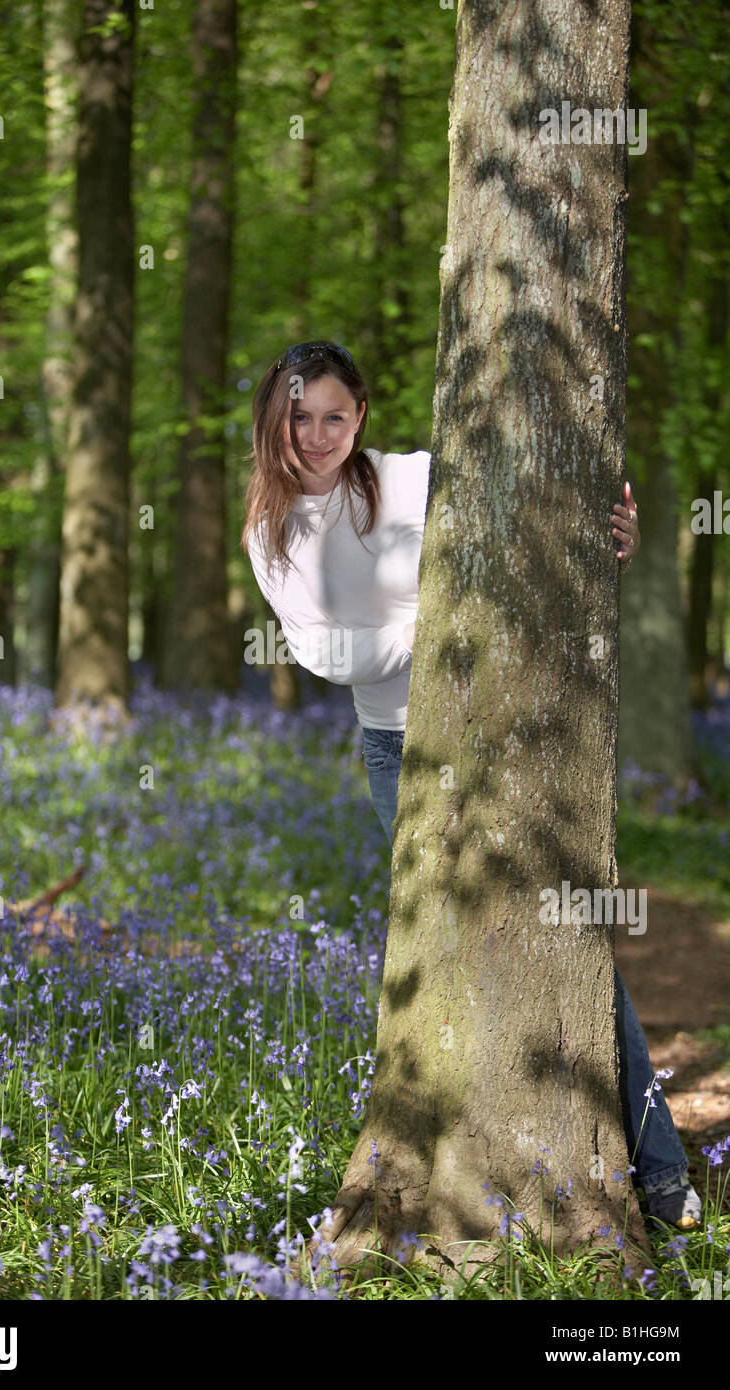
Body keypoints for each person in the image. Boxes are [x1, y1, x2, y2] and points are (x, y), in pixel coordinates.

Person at [241, 339, 701, 1231]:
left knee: (564, 942)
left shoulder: (409, 479)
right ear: (276, 416)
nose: (319, 433)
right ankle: (482, 1166)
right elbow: (326, 653)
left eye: (337, 415)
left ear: (361, 415)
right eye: (301, 415)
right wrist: (446, 620)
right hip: (399, 755)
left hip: (503, 737)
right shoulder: (273, 526)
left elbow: (535, 510)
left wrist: (616, 538)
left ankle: (662, 1173)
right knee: (456, 952)